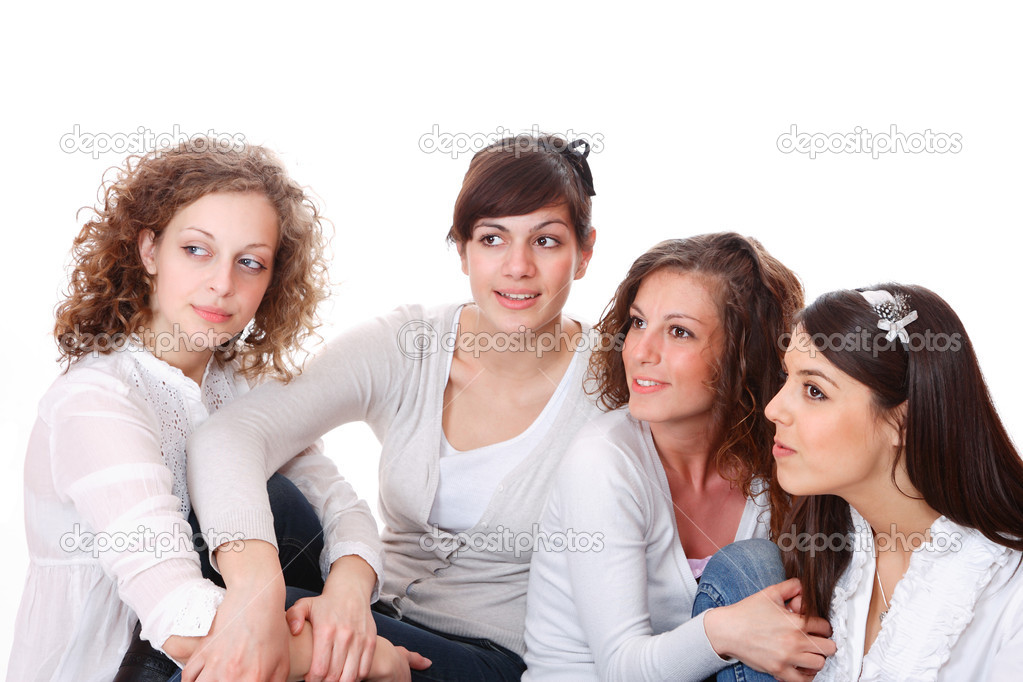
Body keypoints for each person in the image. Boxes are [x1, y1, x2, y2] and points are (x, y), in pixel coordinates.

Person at [185, 134, 603, 681]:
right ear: (463, 250)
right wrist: (295, 590)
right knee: (258, 529)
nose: (518, 266)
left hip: (493, 658)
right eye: (493, 238)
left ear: (585, 253)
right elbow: (230, 436)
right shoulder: (411, 343)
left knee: (268, 625)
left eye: (546, 242)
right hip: (383, 609)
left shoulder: (616, 382)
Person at [10, 140, 415, 682]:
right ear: (150, 250)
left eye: (250, 262)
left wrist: (345, 594)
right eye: (197, 250)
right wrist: (376, 659)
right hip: (137, 666)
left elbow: (343, 512)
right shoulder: (97, 400)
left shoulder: (242, 384)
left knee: (285, 513)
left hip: (247, 646)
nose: (223, 284)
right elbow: (179, 618)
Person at [524, 233, 838, 681]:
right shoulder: (603, 460)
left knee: (760, 570)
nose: (640, 351)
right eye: (636, 323)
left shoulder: (781, 459)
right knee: (752, 567)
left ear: (741, 353)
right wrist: (727, 631)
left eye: (678, 332)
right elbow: (621, 668)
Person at [766, 284, 1023, 680]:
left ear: (902, 422)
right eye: (787, 379)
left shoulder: (1009, 595)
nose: (774, 409)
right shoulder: (823, 550)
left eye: (814, 391)